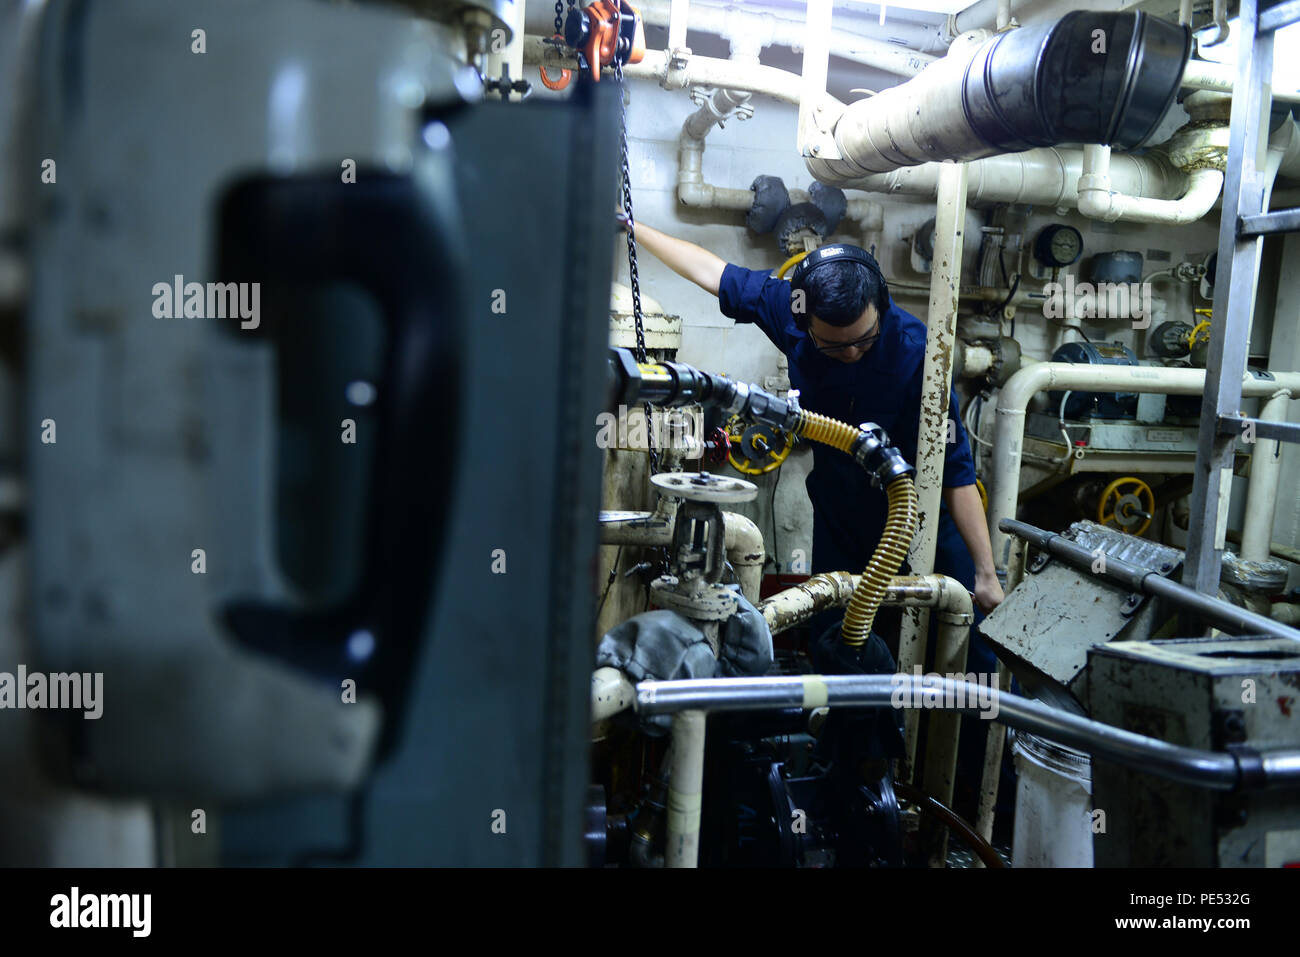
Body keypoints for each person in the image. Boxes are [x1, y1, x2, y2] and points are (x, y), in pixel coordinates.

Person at [623, 218, 1005, 643]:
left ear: (880, 307)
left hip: (918, 521)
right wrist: (632, 226)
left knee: (957, 644)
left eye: (865, 340)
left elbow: (956, 473)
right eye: (835, 346)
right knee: (839, 641)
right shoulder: (791, 310)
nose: (852, 353)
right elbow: (713, 273)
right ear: (804, 322)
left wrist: (986, 573)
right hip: (838, 517)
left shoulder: (920, 358)